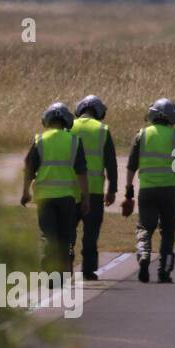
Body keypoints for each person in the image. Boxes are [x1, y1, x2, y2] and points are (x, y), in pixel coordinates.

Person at [122, 98, 175, 284]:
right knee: (168, 231)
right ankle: (164, 271)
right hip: (169, 191)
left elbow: (131, 166)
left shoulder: (141, 135)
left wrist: (128, 192)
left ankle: (144, 256)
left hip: (147, 190)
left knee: (145, 227)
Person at [20, 102, 90, 273]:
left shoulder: (40, 141)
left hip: (44, 197)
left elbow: (29, 167)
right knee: (65, 236)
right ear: (67, 121)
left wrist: (25, 192)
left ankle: (49, 270)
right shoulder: (74, 141)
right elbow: (82, 172)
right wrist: (85, 198)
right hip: (67, 197)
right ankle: (64, 271)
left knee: (48, 236)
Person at [71, 94, 118, 281]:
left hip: (71, 191)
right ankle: (88, 270)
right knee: (91, 234)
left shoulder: (69, 127)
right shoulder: (102, 130)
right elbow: (111, 162)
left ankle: (66, 267)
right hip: (95, 191)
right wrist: (112, 189)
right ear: (99, 112)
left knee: (68, 232)